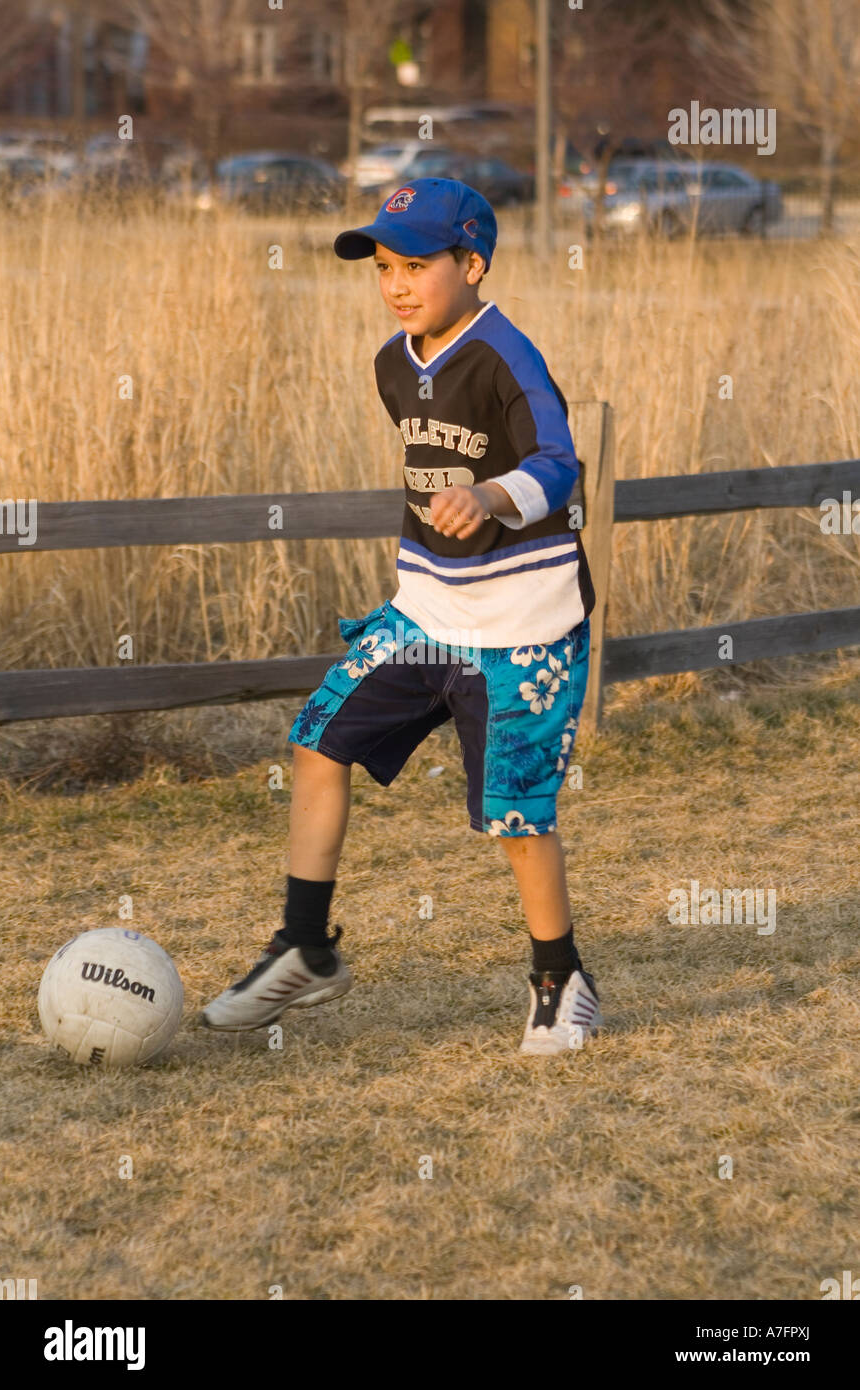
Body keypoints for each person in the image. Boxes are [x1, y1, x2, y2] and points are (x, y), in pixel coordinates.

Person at [203, 178, 601, 1055]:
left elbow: (560, 462)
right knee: (317, 739)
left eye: (417, 264)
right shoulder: (392, 362)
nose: (397, 283)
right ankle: (305, 946)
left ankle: (559, 976)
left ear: (472, 263)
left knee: (516, 816)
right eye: (384, 266)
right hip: (422, 610)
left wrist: (492, 496)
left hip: (519, 626)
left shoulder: (506, 356)